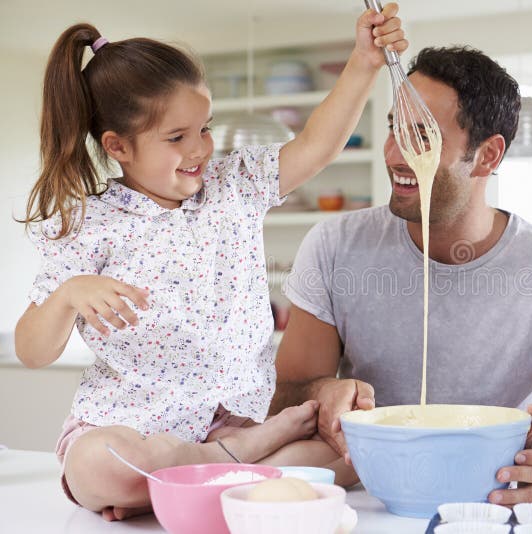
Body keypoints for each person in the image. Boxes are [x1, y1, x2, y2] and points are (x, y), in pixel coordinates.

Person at [14, 5, 406, 521]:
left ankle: (188, 477)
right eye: (177, 137)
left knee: (353, 452)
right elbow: (32, 350)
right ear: (118, 147)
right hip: (135, 427)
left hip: (232, 421)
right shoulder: (89, 224)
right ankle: (228, 470)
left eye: (205, 127)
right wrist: (67, 296)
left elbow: (315, 146)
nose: (200, 147)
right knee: (95, 466)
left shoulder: (232, 186)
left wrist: (363, 63)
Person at [270, 46, 532, 505]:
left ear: (487, 156)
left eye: (421, 136)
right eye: (394, 129)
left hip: (487, 505)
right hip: (364, 504)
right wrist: (323, 392)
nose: (395, 154)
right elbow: (283, 395)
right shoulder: (335, 247)